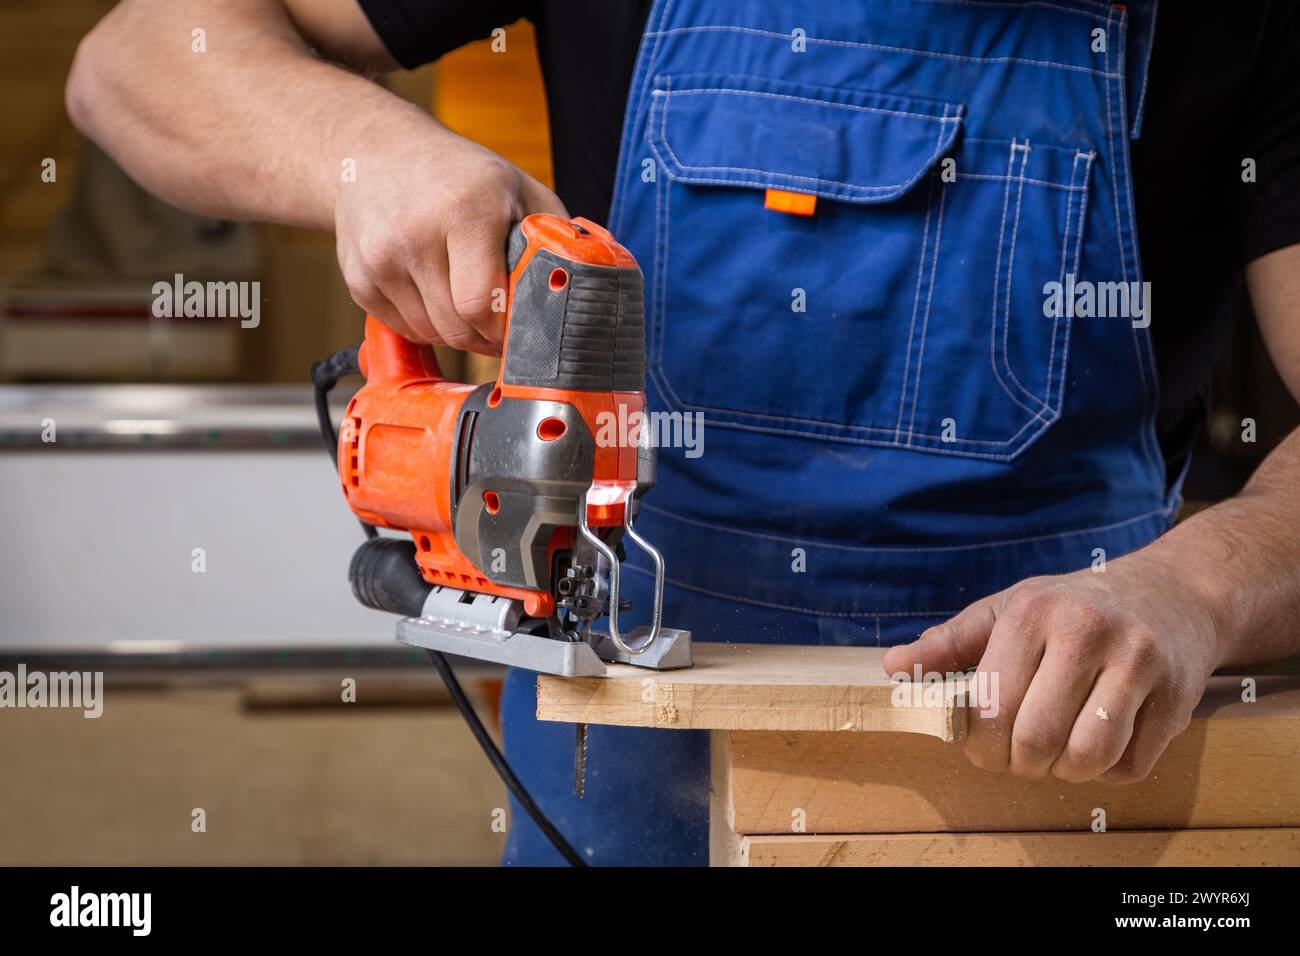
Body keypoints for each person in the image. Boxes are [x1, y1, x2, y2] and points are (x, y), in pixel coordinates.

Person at [67, 0, 1300, 866]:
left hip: (1069, 752)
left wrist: (1194, 588)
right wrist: (363, 153)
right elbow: (133, 56)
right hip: (632, 736)